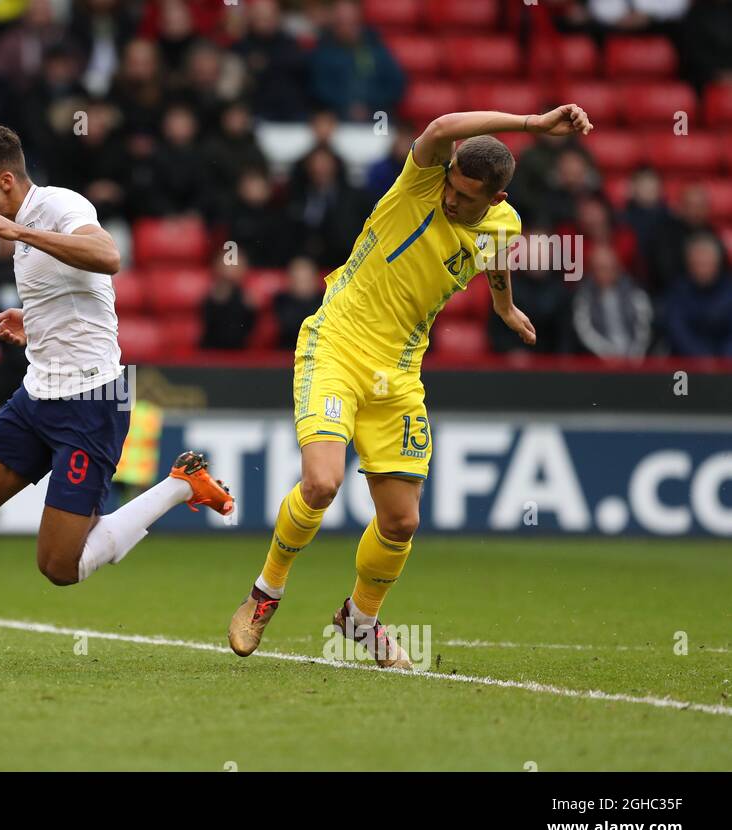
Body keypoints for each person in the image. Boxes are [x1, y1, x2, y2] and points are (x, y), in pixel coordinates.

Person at [227, 105, 593, 668]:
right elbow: (443, 128)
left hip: (398, 373)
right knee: (321, 483)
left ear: (494, 199)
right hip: (337, 346)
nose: (452, 200)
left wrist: (504, 304)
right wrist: (533, 124)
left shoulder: (504, 223)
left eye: (467, 197)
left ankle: (360, 618)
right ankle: (265, 593)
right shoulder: (420, 184)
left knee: (402, 520)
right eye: (452, 186)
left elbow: (494, 260)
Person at [0, 124, 234, 666]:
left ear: (5, 181)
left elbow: (107, 256)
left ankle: (180, 486)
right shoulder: (17, 232)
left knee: (60, 567)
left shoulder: (57, 206)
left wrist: (18, 232)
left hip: (93, 400)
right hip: (37, 392)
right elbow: (80, 296)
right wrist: (35, 321)